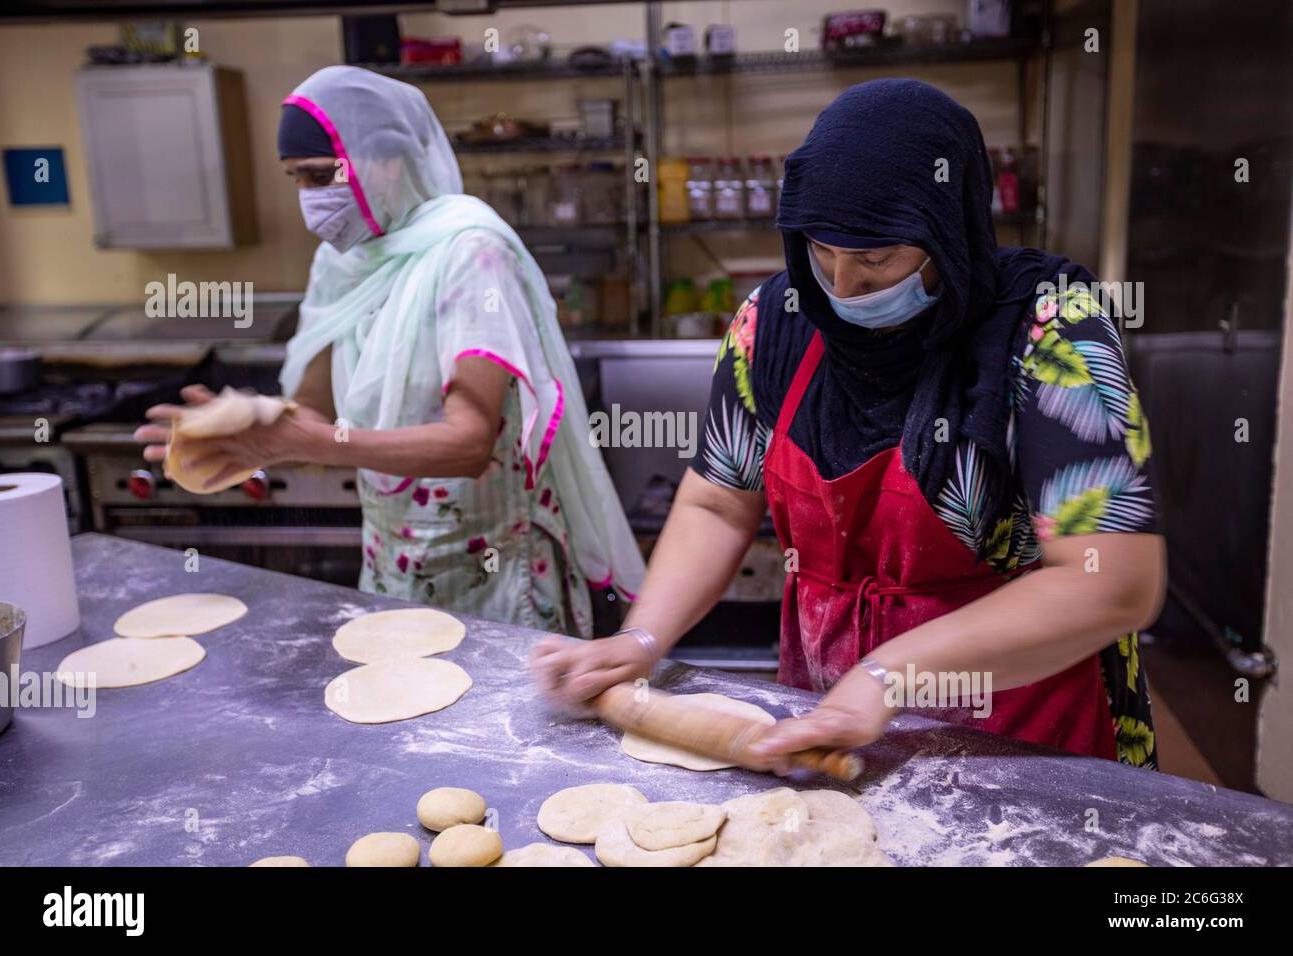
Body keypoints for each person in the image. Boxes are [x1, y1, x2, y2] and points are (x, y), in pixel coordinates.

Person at [533, 79, 1165, 769]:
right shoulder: (772, 323)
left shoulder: (1051, 329)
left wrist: (890, 675)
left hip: (1019, 731)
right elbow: (718, 504)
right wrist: (642, 640)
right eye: (822, 252)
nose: (843, 287)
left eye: (875, 259)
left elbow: (1110, 581)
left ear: (947, 235)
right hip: (831, 721)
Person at [138, 66, 643, 636]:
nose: (308, 197)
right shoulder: (345, 262)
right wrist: (251, 427)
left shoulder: (469, 252)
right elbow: (314, 412)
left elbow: (470, 442)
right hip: (394, 566)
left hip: (494, 575)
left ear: (386, 160)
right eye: (295, 179)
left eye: (320, 174)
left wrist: (315, 443)